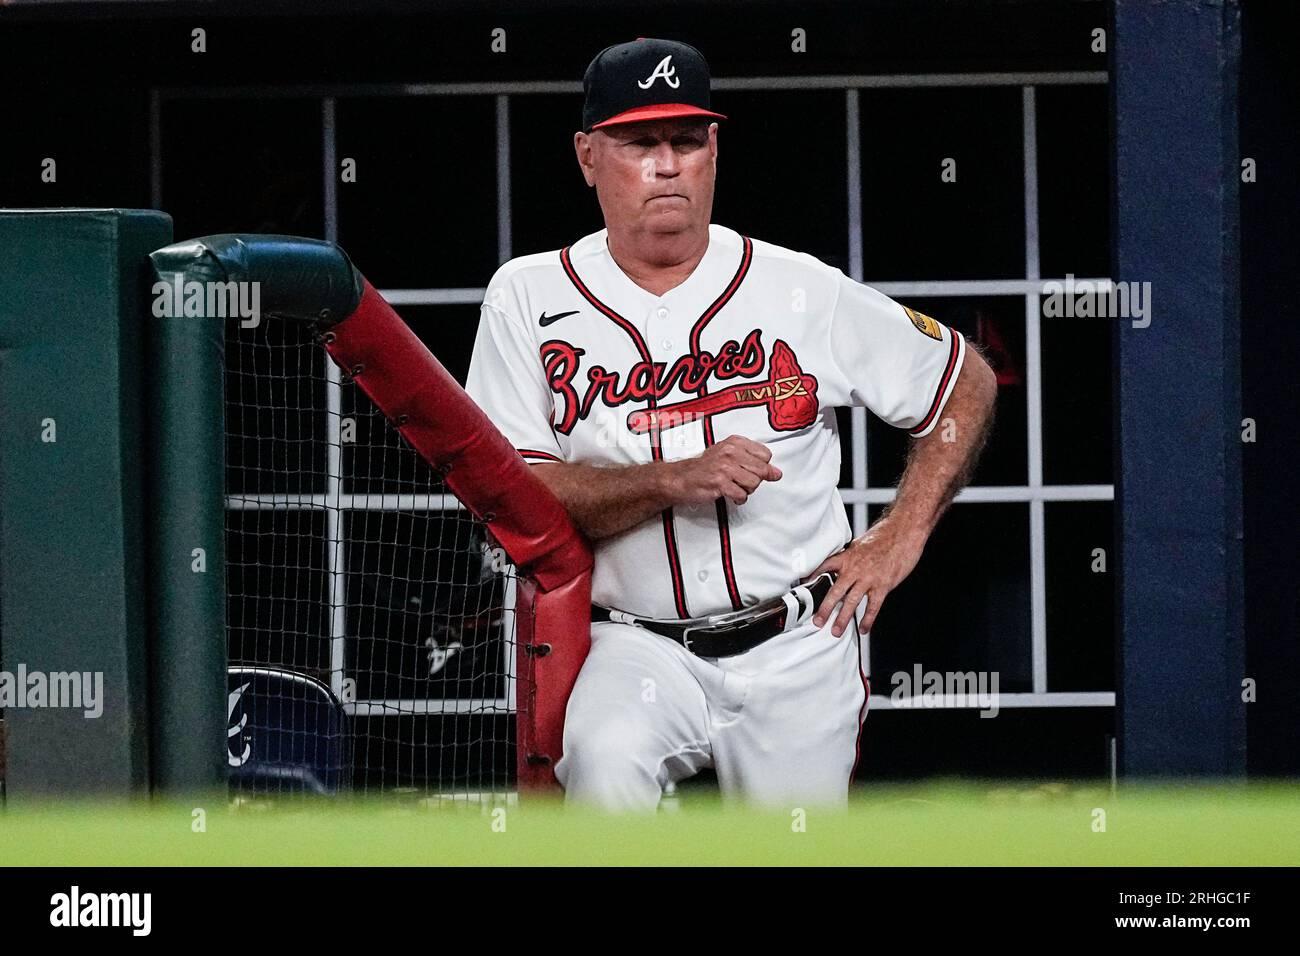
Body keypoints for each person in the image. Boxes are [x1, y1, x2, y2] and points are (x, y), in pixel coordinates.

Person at [466, 37, 997, 810]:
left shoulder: (797, 287)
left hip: (796, 640)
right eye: (638, 142)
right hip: (632, 642)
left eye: (686, 139)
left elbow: (963, 381)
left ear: (713, 148)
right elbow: (520, 491)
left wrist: (898, 535)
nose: (667, 163)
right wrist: (672, 480)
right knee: (603, 765)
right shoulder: (526, 295)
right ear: (587, 156)